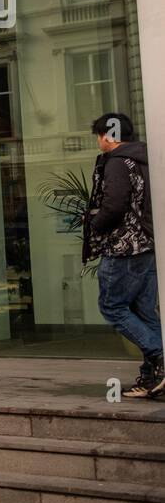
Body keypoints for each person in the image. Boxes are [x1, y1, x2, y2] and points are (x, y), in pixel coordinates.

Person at [82, 113, 163, 399]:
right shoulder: (142, 159)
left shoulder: (116, 162)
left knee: (112, 306)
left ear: (107, 135)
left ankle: (160, 358)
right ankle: (152, 378)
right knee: (144, 310)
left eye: (98, 136)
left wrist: (95, 224)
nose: (98, 142)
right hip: (147, 245)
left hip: (123, 248)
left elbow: (114, 205)